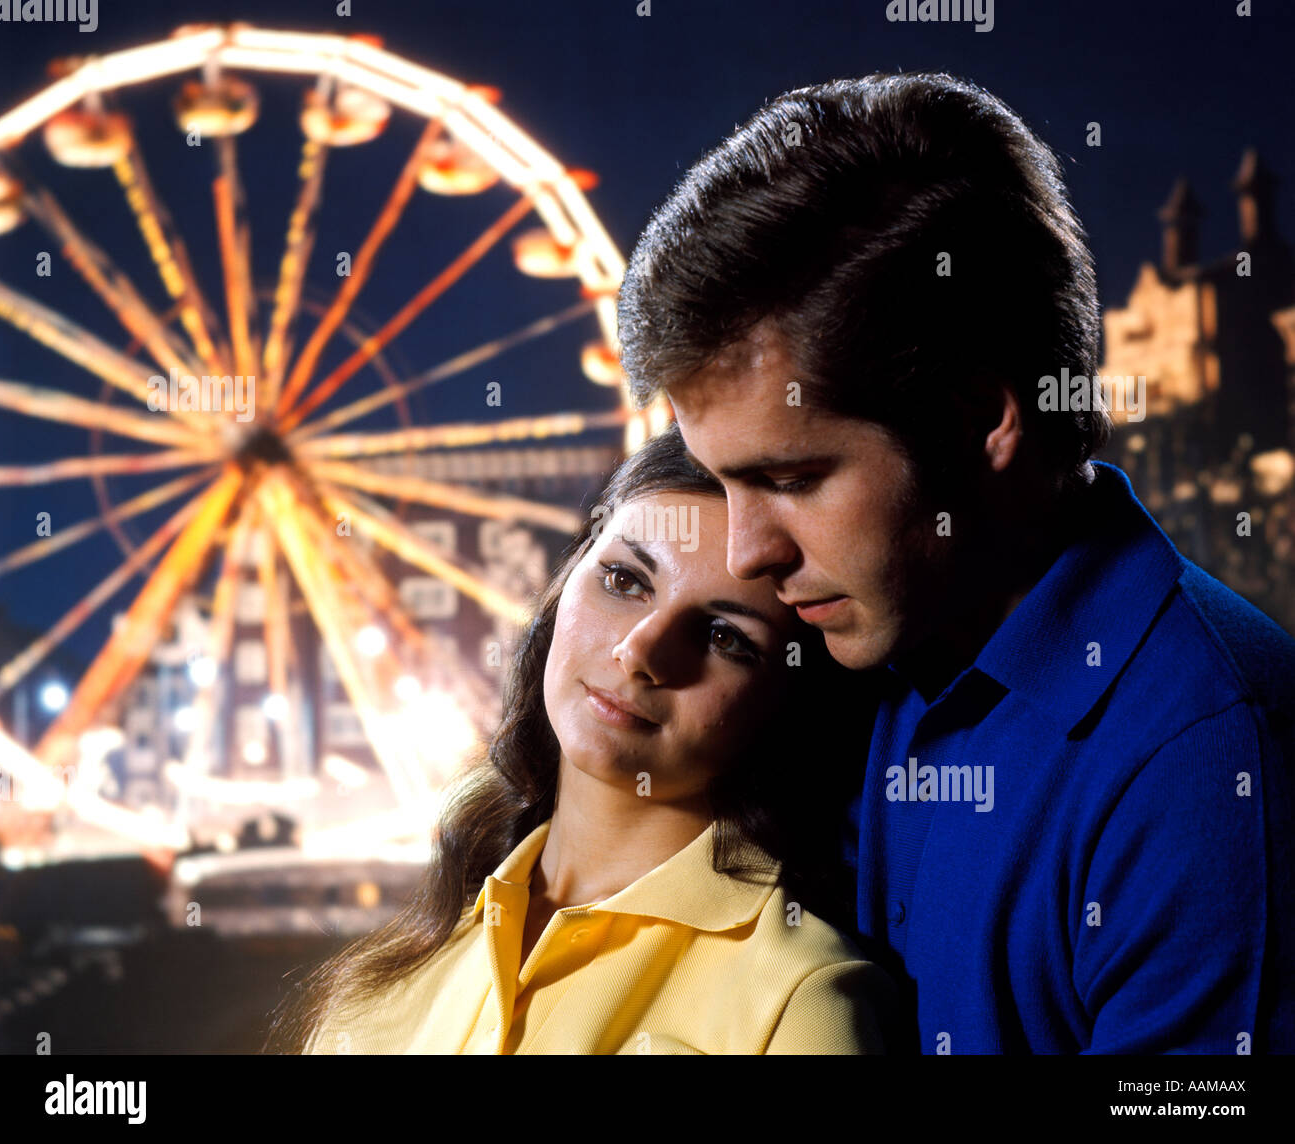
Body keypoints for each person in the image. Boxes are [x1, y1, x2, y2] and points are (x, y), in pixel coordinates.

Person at [615, 71, 1295, 1054]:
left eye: (794, 478)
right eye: (723, 485)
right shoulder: (873, 651)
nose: (747, 550)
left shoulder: (1206, 771)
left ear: (983, 418)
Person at [270, 423, 892, 1055]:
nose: (640, 650)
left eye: (723, 637)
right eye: (625, 581)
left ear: (785, 703)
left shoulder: (796, 1003)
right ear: (564, 586)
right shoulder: (383, 985)